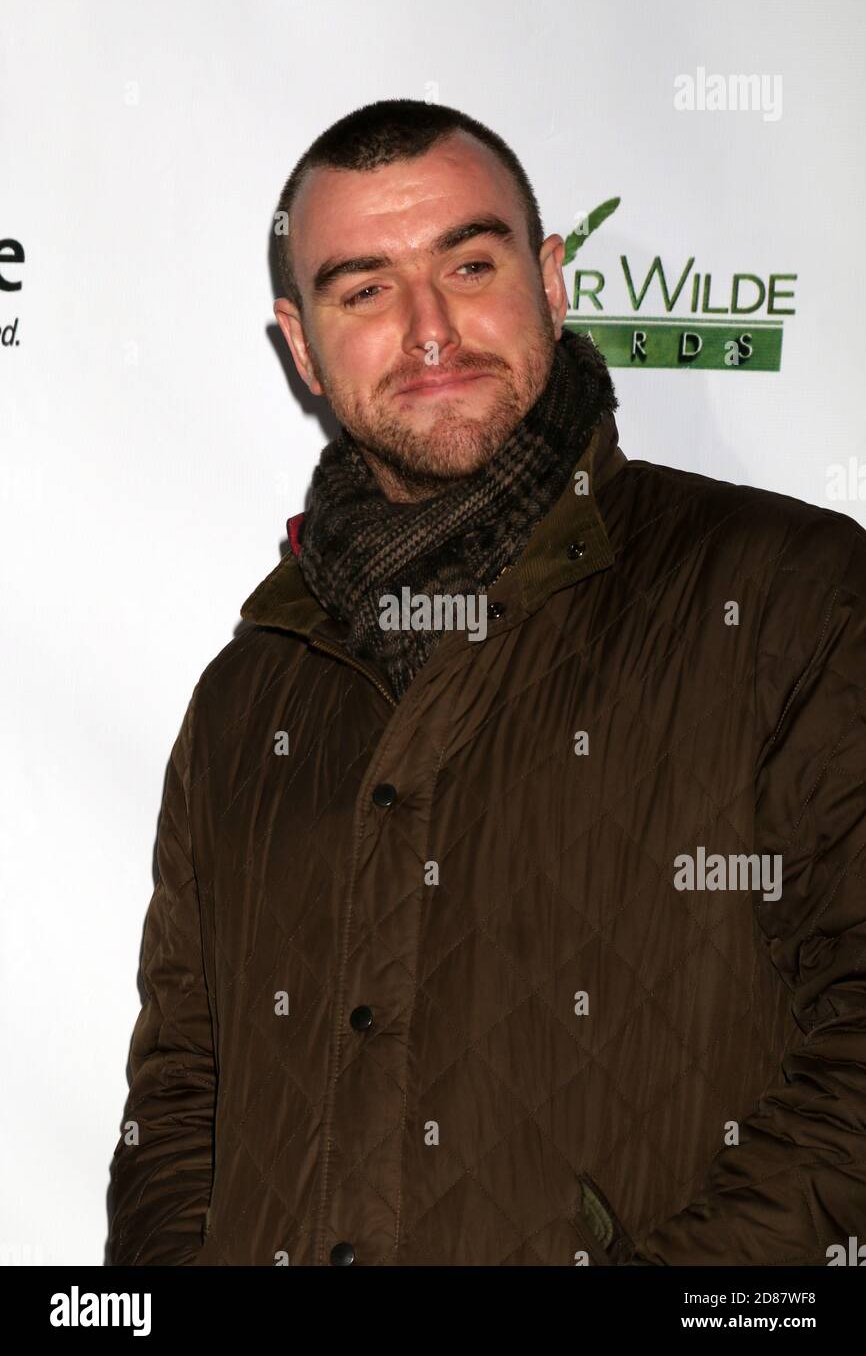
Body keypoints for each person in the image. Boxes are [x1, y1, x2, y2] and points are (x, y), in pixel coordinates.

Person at [107, 98, 866, 1267]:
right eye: (362, 289)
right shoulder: (249, 693)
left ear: (552, 280)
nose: (426, 330)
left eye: (467, 263)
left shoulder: (791, 593)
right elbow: (178, 1098)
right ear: (299, 344)